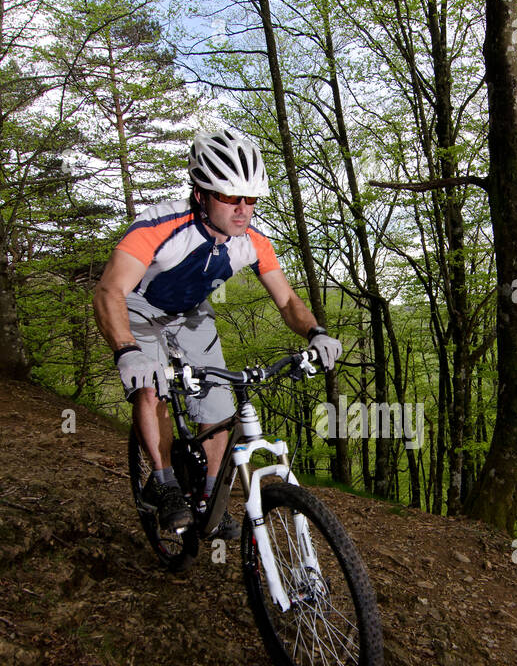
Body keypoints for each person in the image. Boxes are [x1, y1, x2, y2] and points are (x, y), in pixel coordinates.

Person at [92, 127, 342, 538]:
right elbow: (110, 290)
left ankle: (211, 499)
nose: (242, 209)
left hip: (190, 313)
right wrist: (127, 351)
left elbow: (286, 301)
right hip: (137, 307)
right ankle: (165, 481)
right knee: (152, 386)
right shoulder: (159, 225)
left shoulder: (253, 242)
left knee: (219, 407)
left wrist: (316, 332)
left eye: (251, 199)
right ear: (201, 193)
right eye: (229, 197)